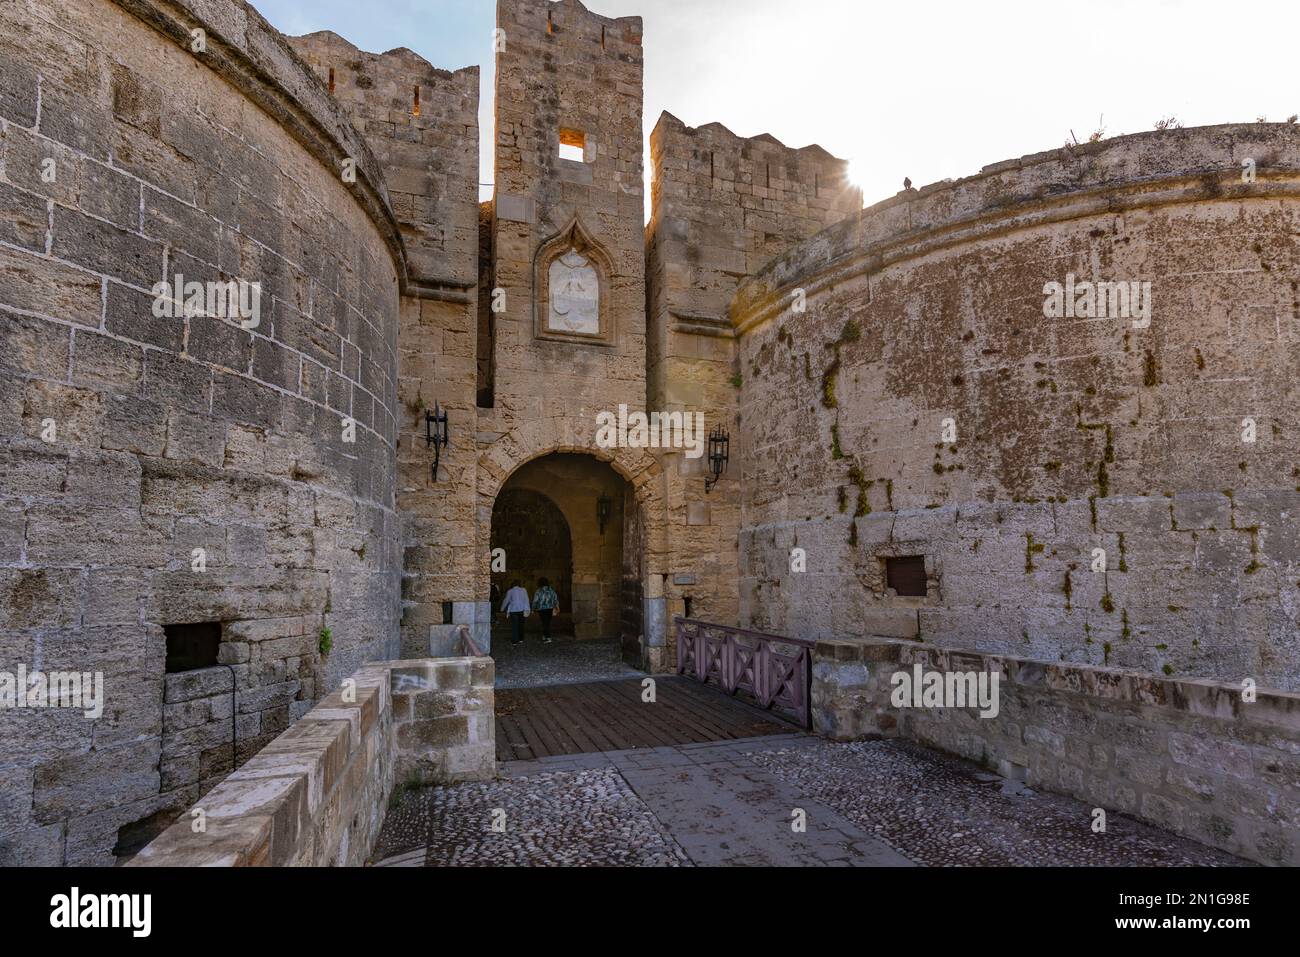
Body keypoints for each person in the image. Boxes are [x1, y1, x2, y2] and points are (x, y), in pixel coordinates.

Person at [501, 579, 530, 645]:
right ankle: (521, 639)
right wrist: (528, 609)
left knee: (515, 625)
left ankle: (514, 641)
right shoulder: (524, 590)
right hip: (522, 609)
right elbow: (526, 599)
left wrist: (502, 608)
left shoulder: (510, 591)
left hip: (513, 610)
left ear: (512, 585)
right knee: (521, 625)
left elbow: (506, 600)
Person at [532, 577, 559, 644]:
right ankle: (544, 636)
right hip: (550, 608)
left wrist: (533, 609)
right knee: (547, 622)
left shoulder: (538, 591)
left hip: (541, 609)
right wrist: (557, 607)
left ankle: (548, 638)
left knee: (545, 623)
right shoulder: (551, 590)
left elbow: (535, 601)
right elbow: (555, 599)